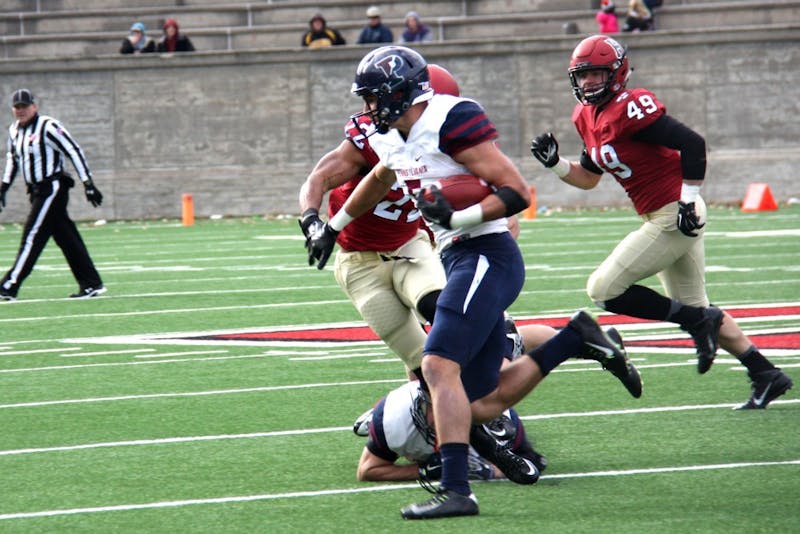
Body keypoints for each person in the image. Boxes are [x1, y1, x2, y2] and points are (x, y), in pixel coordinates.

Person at [307, 46, 641, 519]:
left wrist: (457, 215)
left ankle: (459, 491)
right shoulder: (390, 135)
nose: (369, 110)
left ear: (402, 94)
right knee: (479, 401)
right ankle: (576, 337)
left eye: (375, 99)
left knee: (438, 367)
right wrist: (333, 225)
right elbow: (379, 178)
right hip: (460, 255)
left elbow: (517, 193)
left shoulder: (450, 120)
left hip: (485, 254)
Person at [530, 35, 793, 411]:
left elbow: (693, 143)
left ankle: (696, 322)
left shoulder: (631, 105)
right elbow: (589, 178)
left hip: (676, 212)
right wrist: (555, 164)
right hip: (664, 212)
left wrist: (688, 198)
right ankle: (765, 372)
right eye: (583, 75)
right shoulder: (584, 116)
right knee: (697, 306)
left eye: (596, 74)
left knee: (603, 289)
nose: (588, 82)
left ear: (617, 72)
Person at [299, 65, 463, 381]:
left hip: (410, 245)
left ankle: (495, 386)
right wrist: (312, 221)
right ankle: (433, 414)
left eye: (375, 99)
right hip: (359, 262)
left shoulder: (456, 145)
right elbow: (320, 177)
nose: (367, 109)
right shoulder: (374, 140)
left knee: (441, 309)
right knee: (421, 361)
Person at [0, 89, 106, 301]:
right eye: (17, 107)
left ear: (34, 106)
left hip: (53, 188)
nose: (21, 110)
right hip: (36, 190)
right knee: (67, 238)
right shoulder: (14, 130)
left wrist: (88, 183)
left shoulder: (48, 126)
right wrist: (3, 187)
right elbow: (13, 159)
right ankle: (91, 283)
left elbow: (74, 150)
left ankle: (9, 285)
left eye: (25, 106)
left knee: (32, 235)